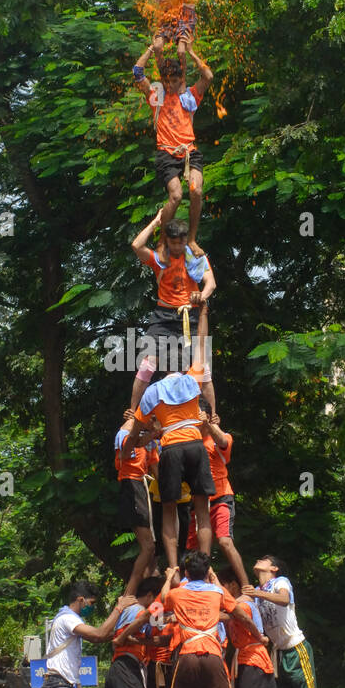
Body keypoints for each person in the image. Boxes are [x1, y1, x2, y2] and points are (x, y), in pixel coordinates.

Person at [161, 551, 261, 688]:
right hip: (213, 654)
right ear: (207, 572)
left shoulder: (177, 593)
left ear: (186, 573)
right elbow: (242, 617)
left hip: (188, 653)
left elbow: (164, 598)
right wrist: (259, 636)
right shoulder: (218, 592)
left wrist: (168, 578)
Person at [129, 215, 216, 417]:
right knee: (148, 363)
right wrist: (156, 222)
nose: (178, 246)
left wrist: (200, 296)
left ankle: (213, 416)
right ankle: (133, 413)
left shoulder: (195, 257)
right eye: (174, 242)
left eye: (181, 242)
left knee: (202, 367)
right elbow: (136, 245)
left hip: (190, 315)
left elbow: (210, 283)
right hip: (164, 316)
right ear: (166, 240)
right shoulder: (160, 258)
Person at [130, 364, 216, 567]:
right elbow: (202, 347)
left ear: (162, 370)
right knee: (202, 510)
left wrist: (145, 434)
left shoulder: (152, 391)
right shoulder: (192, 378)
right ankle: (206, 568)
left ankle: (173, 568)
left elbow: (135, 434)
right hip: (195, 446)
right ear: (184, 367)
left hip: (171, 449)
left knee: (169, 511)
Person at [132, 37, 213, 248]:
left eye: (174, 81)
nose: (169, 85)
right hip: (167, 153)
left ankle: (193, 239)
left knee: (196, 190)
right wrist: (152, 48)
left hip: (189, 151)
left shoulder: (190, 97)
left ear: (180, 79)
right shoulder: (157, 96)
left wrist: (192, 52)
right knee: (176, 195)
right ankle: (162, 240)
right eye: (166, 81)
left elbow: (208, 76)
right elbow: (137, 73)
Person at [244, 556, 322, 688]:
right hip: (277, 654)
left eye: (264, 559)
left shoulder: (280, 582)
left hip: (297, 649)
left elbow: (284, 599)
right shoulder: (256, 592)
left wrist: (257, 595)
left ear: (274, 568)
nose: (259, 560)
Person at [43, 581, 136, 688]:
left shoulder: (70, 618)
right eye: (91, 602)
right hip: (58, 684)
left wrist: (123, 633)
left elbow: (98, 637)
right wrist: (119, 608)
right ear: (81, 600)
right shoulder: (67, 618)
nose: (92, 607)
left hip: (65, 684)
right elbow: (98, 635)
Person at [185, 407, 247, 586]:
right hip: (197, 499)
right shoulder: (190, 439)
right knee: (192, 548)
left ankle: (245, 585)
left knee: (225, 541)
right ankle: (194, 583)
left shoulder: (221, 436)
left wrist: (210, 425)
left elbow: (223, 442)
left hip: (220, 496)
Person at [106, 577, 164, 688]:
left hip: (116, 668)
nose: (158, 604)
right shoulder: (139, 611)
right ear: (149, 596)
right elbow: (157, 627)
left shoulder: (126, 610)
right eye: (157, 599)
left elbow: (157, 631)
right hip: (128, 666)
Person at [219, 569, 278, 688]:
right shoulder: (237, 605)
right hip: (250, 658)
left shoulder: (242, 605)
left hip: (253, 659)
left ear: (233, 585)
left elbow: (240, 617)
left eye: (222, 586)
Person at [114, 414, 158, 594]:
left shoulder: (151, 442)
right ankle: (129, 593)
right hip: (131, 484)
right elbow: (123, 455)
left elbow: (157, 471)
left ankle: (146, 589)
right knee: (148, 546)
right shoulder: (127, 433)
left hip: (144, 487)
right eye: (154, 419)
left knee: (154, 548)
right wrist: (151, 433)